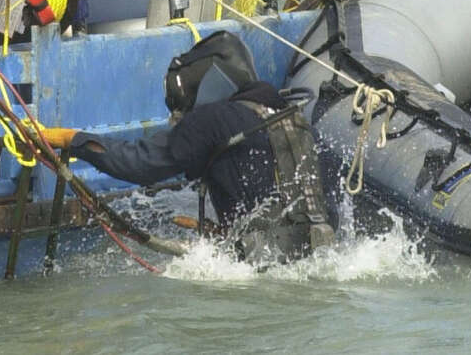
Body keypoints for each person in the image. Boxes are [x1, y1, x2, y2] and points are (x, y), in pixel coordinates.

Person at [45, 31, 335, 264]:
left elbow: (140, 163)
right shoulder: (291, 116)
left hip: (262, 267)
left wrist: (73, 140)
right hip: (323, 253)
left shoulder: (211, 119)